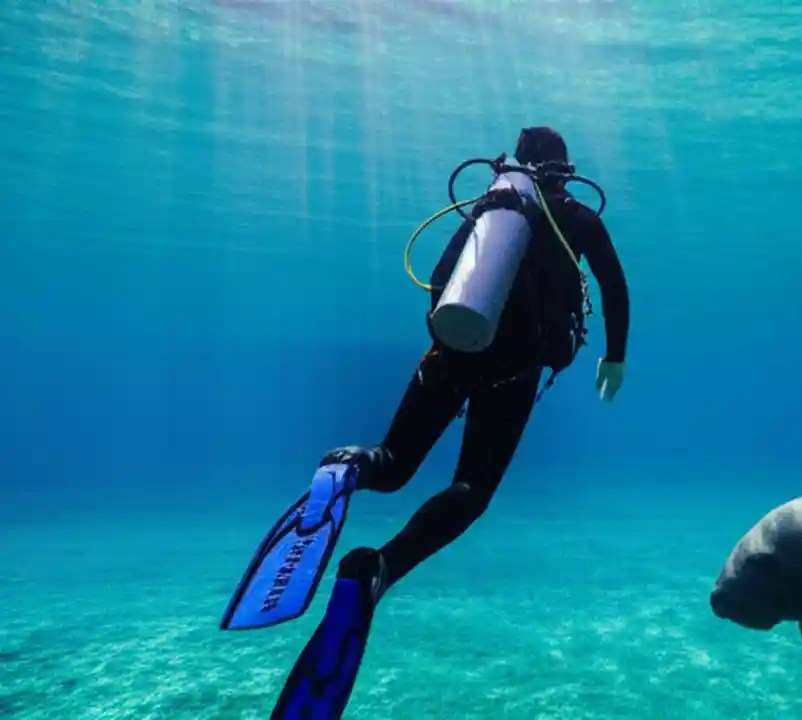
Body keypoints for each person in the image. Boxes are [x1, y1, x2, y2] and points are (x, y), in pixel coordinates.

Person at [219, 127, 630, 720]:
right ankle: (379, 570)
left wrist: (454, 351)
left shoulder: (492, 208)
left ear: (515, 163)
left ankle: (347, 466)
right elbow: (614, 286)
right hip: (510, 378)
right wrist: (613, 357)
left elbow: (441, 283)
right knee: (470, 490)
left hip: (447, 357)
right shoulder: (575, 219)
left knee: (393, 464)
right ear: (564, 169)